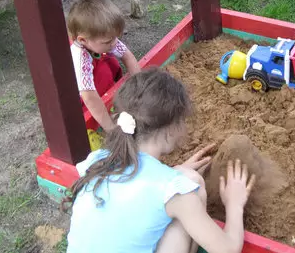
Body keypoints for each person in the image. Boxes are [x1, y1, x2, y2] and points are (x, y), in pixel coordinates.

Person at [64, 68, 255, 253]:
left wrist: (175, 172)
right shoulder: (176, 193)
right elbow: (228, 249)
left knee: (189, 179)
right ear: (171, 129)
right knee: (192, 189)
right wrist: (234, 204)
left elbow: (134, 194)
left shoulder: (96, 160)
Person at [67, 0, 141, 131]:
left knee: (111, 61)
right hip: (78, 94)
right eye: (108, 41)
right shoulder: (79, 57)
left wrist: (140, 85)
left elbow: (127, 56)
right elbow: (89, 97)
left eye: (115, 38)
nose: (114, 43)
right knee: (104, 73)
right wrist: (110, 128)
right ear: (83, 40)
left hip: (94, 59)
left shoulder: (102, 40)